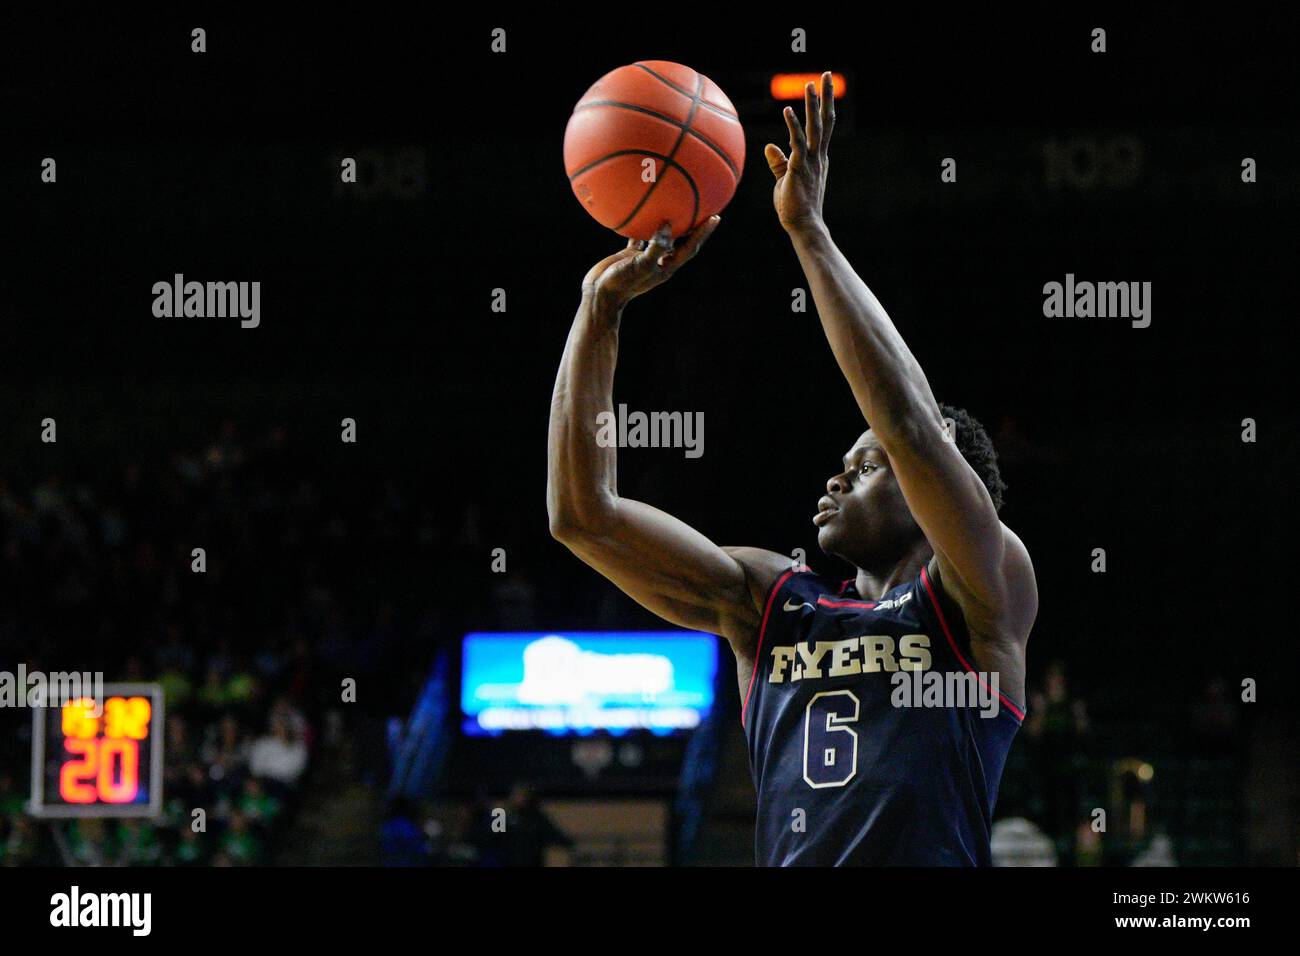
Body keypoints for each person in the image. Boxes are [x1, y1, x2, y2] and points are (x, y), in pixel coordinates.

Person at [547, 73, 1037, 866]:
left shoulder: (979, 595)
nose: (839, 477)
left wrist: (809, 231)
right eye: (844, 463)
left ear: (926, 494)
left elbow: (909, 423)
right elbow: (583, 515)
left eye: (868, 465)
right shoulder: (772, 604)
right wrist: (598, 313)